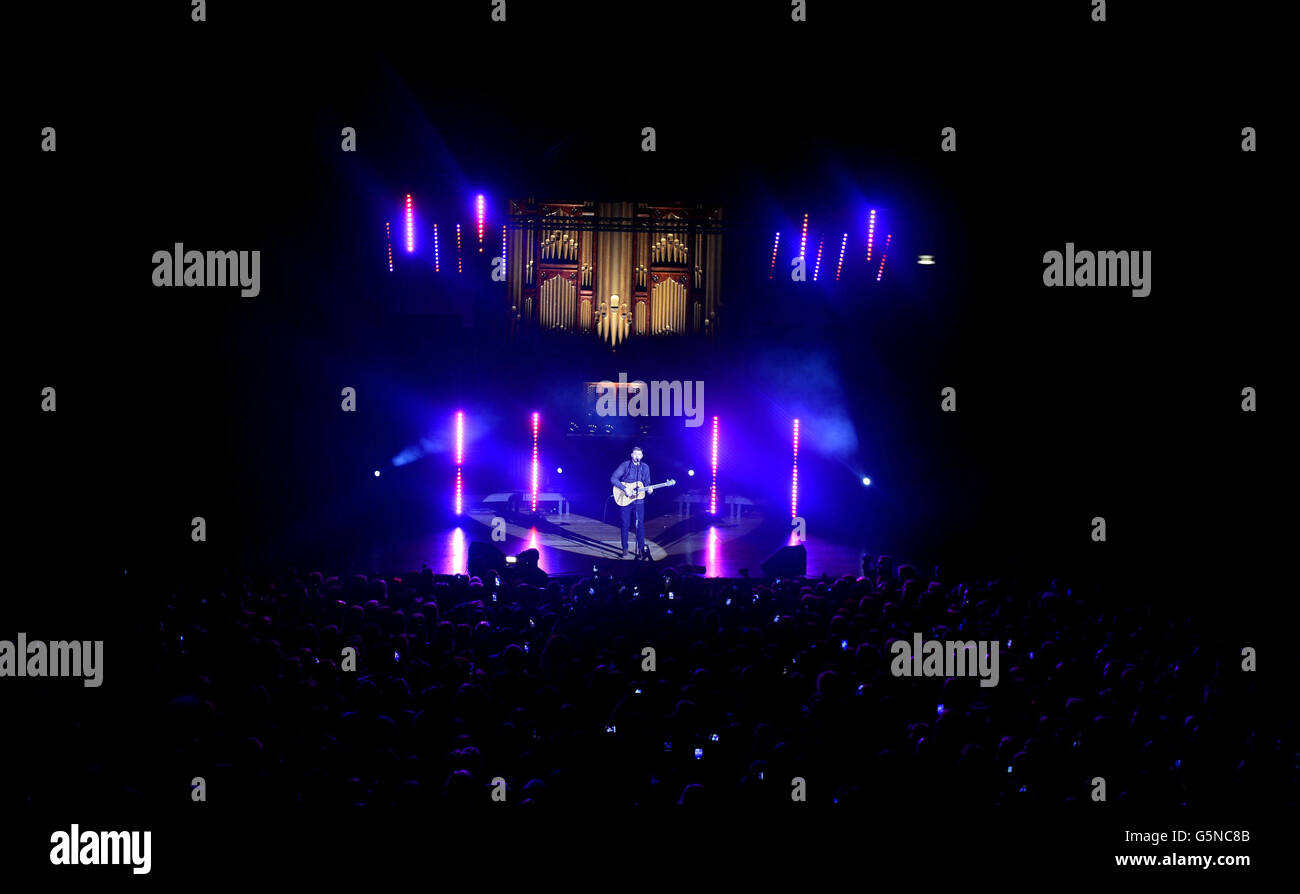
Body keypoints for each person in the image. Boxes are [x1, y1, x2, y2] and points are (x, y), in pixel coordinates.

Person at [610, 446, 651, 558]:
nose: (637, 456)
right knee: (625, 524)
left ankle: (642, 549)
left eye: (639, 454)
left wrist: (649, 489)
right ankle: (625, 548)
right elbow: (613, 479)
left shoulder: (645, 467)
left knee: (640, 524)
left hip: (639, 499)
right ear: (631, 455)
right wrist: (625, 489)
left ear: (642, 456)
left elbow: (647, 482)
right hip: (625, 498)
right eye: (635, 454)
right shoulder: (625, 465)